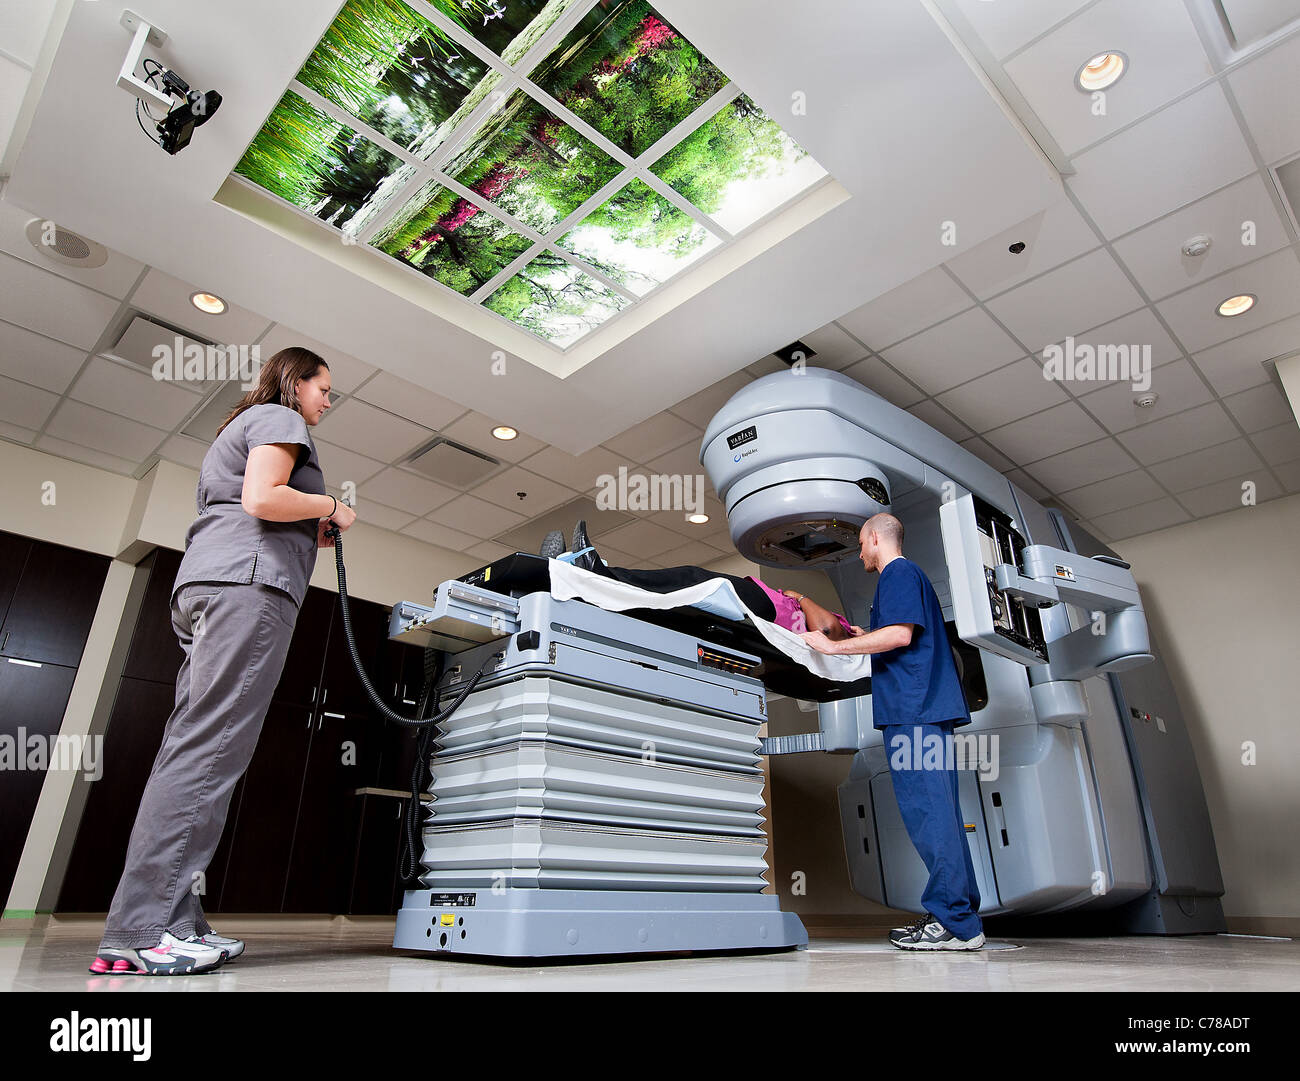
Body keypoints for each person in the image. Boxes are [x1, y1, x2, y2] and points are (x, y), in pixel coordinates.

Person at [90, 347, 358, 976]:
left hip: (210, 582)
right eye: (325, 388)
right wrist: (329, 507)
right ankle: (142, 930)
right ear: (297, 382)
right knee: (209, 751)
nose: (327, 401)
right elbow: (264, 499)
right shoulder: (279, 416)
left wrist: (307, 522)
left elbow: (252, 500)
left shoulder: (244, 425)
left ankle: (177, 921)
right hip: (248, 587)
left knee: (197, 744)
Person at [799, 513, 983, 950]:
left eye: (862, 543)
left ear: (876, 539)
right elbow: (899, 634)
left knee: (929, 817)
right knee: (940, 816)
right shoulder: (908, 578)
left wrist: (835, 645)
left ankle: (955, 924)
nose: (860, 552)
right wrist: (867, 634)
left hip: (914, 713)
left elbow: (900, 636)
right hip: (922, 712)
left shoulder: (898, 573)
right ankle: (960, 917)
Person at [542, 520, 855, 638]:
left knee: (690, 579)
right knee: (687, 579)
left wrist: (801, 597)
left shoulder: (843, 631)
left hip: (769, 611)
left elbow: (826, 628)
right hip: (762, 604)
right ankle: (587, 569)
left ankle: (597, 572)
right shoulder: (850, 632)